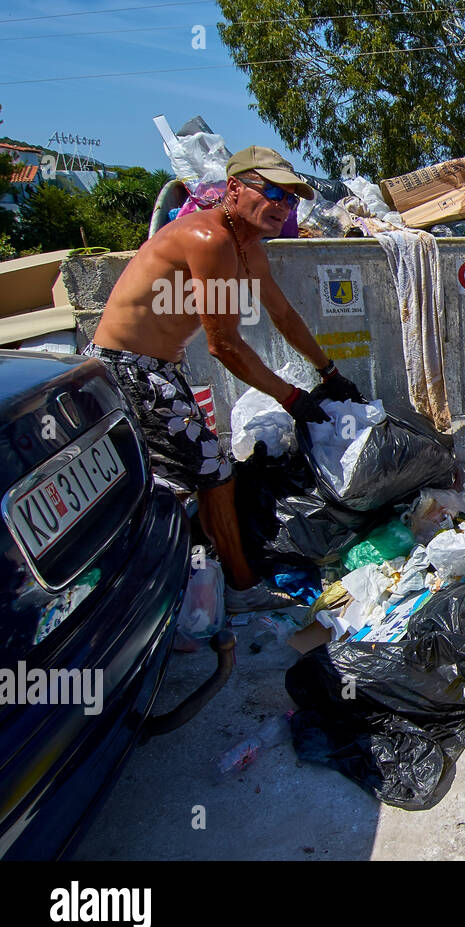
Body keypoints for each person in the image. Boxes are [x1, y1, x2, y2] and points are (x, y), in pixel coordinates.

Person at [86, 146, 364, 612]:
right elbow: (225, 345)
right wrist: (292, 398)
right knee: (213, 470)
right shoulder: (208, 239)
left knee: (195, 474)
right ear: (234, 188)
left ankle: (200, 573)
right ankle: (240, 584)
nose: (282, 205)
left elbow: (284, 317)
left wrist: (329, 372)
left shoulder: (248, 252)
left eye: (291, 199)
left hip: (160, 369)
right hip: (126, 367)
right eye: (271, 191)